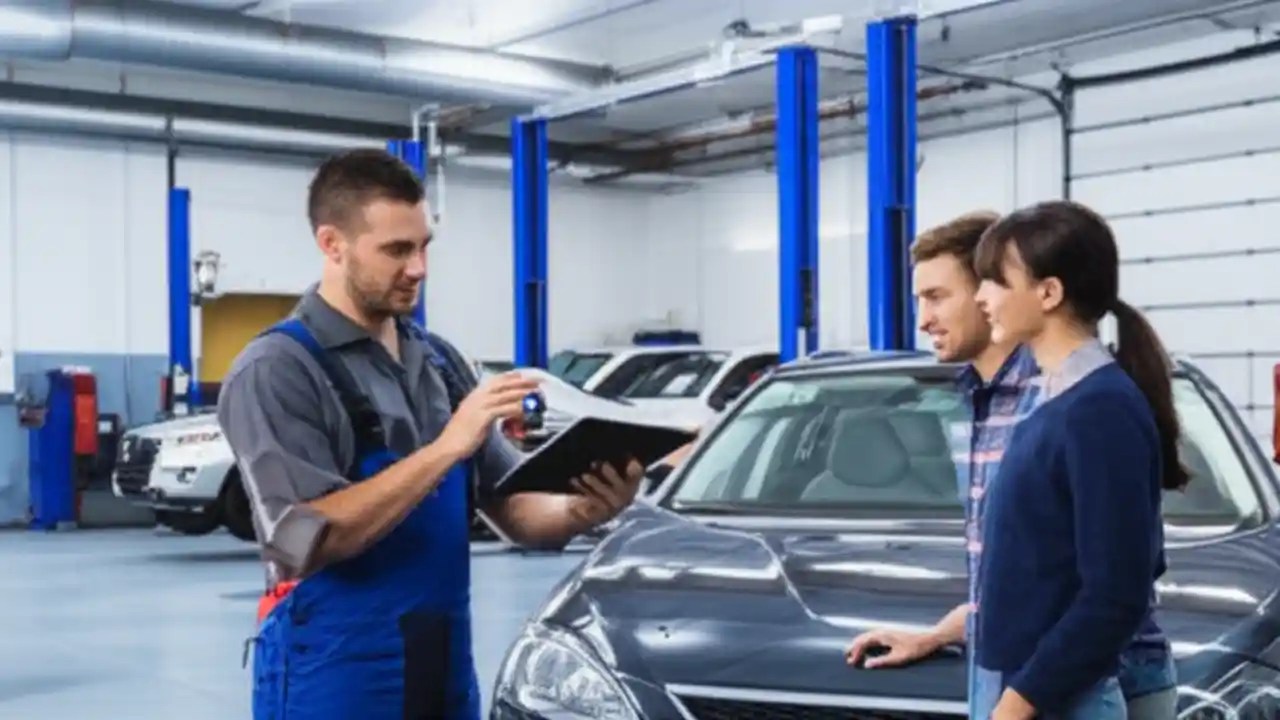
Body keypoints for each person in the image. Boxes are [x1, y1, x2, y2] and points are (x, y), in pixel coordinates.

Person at [217, 148, 646, 720]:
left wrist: (582, 511)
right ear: (332, 244)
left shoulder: (440, 361)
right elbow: (305, 539)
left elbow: (513, 510)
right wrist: (448, 446)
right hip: (336, 675)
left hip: (441, 664)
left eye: (423, 247)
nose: (418, 267)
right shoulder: (277, 369)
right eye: (396, 250)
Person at [843, 209, 1178, 719]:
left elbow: (1113, 592)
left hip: (1068, 683)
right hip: (1026, 673)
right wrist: (945, 634)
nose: (982, 297)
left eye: (994, 282)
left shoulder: (1089, 406)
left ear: (1044, 292)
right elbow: (1035, 568)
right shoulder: (1041, 401)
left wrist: (1015, 706)